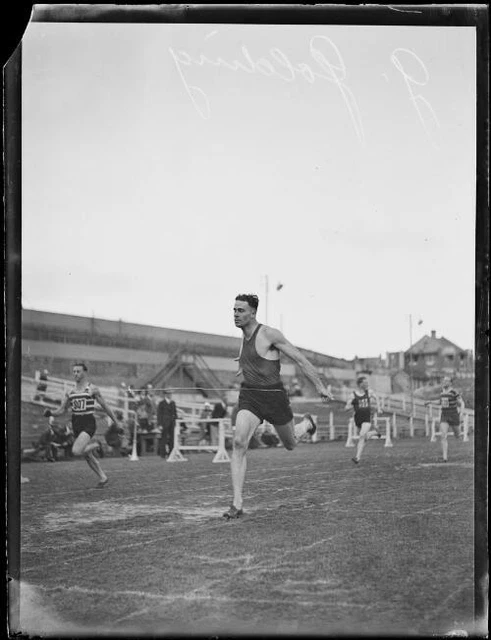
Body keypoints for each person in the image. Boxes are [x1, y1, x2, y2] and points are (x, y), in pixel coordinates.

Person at [223, 293, 333, 520]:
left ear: (252, 312)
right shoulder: (243, 337)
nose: (235, 314)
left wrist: (320, 386)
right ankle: (237, 503)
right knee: (239, 442)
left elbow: (300, 359)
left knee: (291, 443)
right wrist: (244, 365)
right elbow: (254, 357)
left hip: (274, 398)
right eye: (234, 310)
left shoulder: (270, 334)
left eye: (240, 310)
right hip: (250, 397)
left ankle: (307, 425)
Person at [44, 362, 118, 487]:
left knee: (76, 451)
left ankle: (97, 444)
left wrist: (117, 421)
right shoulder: (70, 391)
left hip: (88, 422)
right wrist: (50, 412)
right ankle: (102, 477)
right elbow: (62, 410)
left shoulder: (92, 389)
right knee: (87, 455)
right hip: (76, 423)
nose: (75, 374)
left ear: (84, 372)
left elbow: (105, 406)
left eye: (78, 371)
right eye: (74, 372)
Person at [425, 376, 465, 462]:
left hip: (454, 415)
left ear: (450, 383)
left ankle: (459, 435)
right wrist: (430, 402)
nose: (444, 382)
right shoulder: (442, 392)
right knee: (443, 435)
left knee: (457, 435)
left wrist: (461, 413)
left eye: (447, 381)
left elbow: (462, 403)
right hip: (444, 415)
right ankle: (445, 457)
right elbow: (440, 402)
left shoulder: (454, 392)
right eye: (444, 381)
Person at [345, 376, 383, 464]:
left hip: (367, 418)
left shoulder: (369, 392)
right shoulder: (353, 395)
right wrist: (350, 406)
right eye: (365, 382)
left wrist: (379, 408)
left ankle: (357, 458)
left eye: (367, 382)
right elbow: (346, 407)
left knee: (362, 436)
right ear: (360, 384)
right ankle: (374, 433)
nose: (367, 384)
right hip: (358, 419)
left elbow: (376, 398)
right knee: (363, 437)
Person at [157, 390, 178, 458]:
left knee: (172, 438)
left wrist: (176, 422)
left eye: (170, 394)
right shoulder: (161, 403)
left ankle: (171, 453)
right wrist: (159, 424)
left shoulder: (173, 403)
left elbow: (175, 413)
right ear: (166, 395)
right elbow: (159, 414)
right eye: (169, 394)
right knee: (164, 438)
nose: (170, 395)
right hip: (164, 423)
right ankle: (163, 453)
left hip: (172, 423)